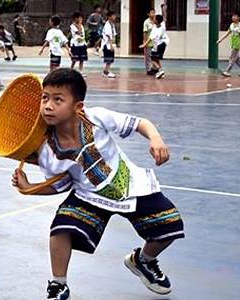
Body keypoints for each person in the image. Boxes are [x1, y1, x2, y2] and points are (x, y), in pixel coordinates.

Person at [11, 68, 185, 300]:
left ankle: (143, 260)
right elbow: (61, 185)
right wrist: (30, 188)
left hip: (130, 185)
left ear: (78, 106)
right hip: (89, 196)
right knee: (61, 229)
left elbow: (140, 123)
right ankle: (58, 284)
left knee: (170, 226)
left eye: (58, 99)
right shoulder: (47, 151)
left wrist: (155, 138)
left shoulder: (97, 117)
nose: (48, 105)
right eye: (45, 98)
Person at [217, 12, 240, 77]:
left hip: (237, 44)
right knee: (237, 59)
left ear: (238, 18)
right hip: (233, 43)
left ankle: (228, 71)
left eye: (235, 16)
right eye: (233, 16)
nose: (233, 17)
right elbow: (227, 33)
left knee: (232, 57)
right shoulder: (231, 25)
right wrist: (220, 40)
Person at [140, 14, 169, 79]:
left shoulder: (155, 29)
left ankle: (159, 70)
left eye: (154, 18)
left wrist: (144, 45)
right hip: (164, 44)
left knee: (152, 59)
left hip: (159, 45)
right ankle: (161, 71)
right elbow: (164, 16)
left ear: (156, 21)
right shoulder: (163, 25)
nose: (153, 18)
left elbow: (150, 38)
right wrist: (163, 8)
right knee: (157, 59)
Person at [101, 11, 117, 78]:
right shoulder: (107, 25)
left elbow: (114, 35)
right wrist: (111, 45)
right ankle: (107, 72)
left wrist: (114, 43)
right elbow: (108, 36)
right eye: (113, 16)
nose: (114, 17)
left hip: (111, 44)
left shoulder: (112, 25)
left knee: (111, 59)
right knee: (108, 59)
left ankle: (105, 71)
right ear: (109, 17)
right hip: (107, 45)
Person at [143, 9, 156, 75]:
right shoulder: (146, 22)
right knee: (148, 57)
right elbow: (145, 32)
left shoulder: (156, 21)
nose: (153, 14)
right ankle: (148, 70)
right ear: (148, 14)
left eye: (154, 12)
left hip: (155, 42)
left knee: (154, 56)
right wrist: (145, 42)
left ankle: (154, 68)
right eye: (151, 12)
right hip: (148, 42)